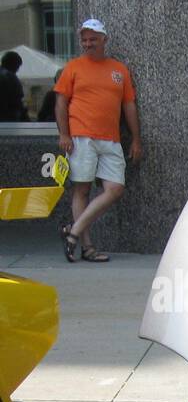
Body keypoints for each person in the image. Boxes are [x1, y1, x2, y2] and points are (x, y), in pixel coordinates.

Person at [53, 19, 142, 262]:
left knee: (115, 189)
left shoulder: (119, 70)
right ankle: (86, 247)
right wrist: (64, 133)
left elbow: (129, 105)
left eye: (93, 39)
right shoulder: (72, 68)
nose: (88, 43)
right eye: (84, 39)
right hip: (81, 137)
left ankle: (73, 231)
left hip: (111, 139)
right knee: (81, 189)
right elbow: (60, 102)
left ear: (105, 39)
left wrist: (136, 139)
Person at [0, 51, 26, 121]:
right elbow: (18, 100)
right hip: (9, 119)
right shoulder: (10, 77)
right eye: (17, 67)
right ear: (14, 65)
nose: (17, 70)